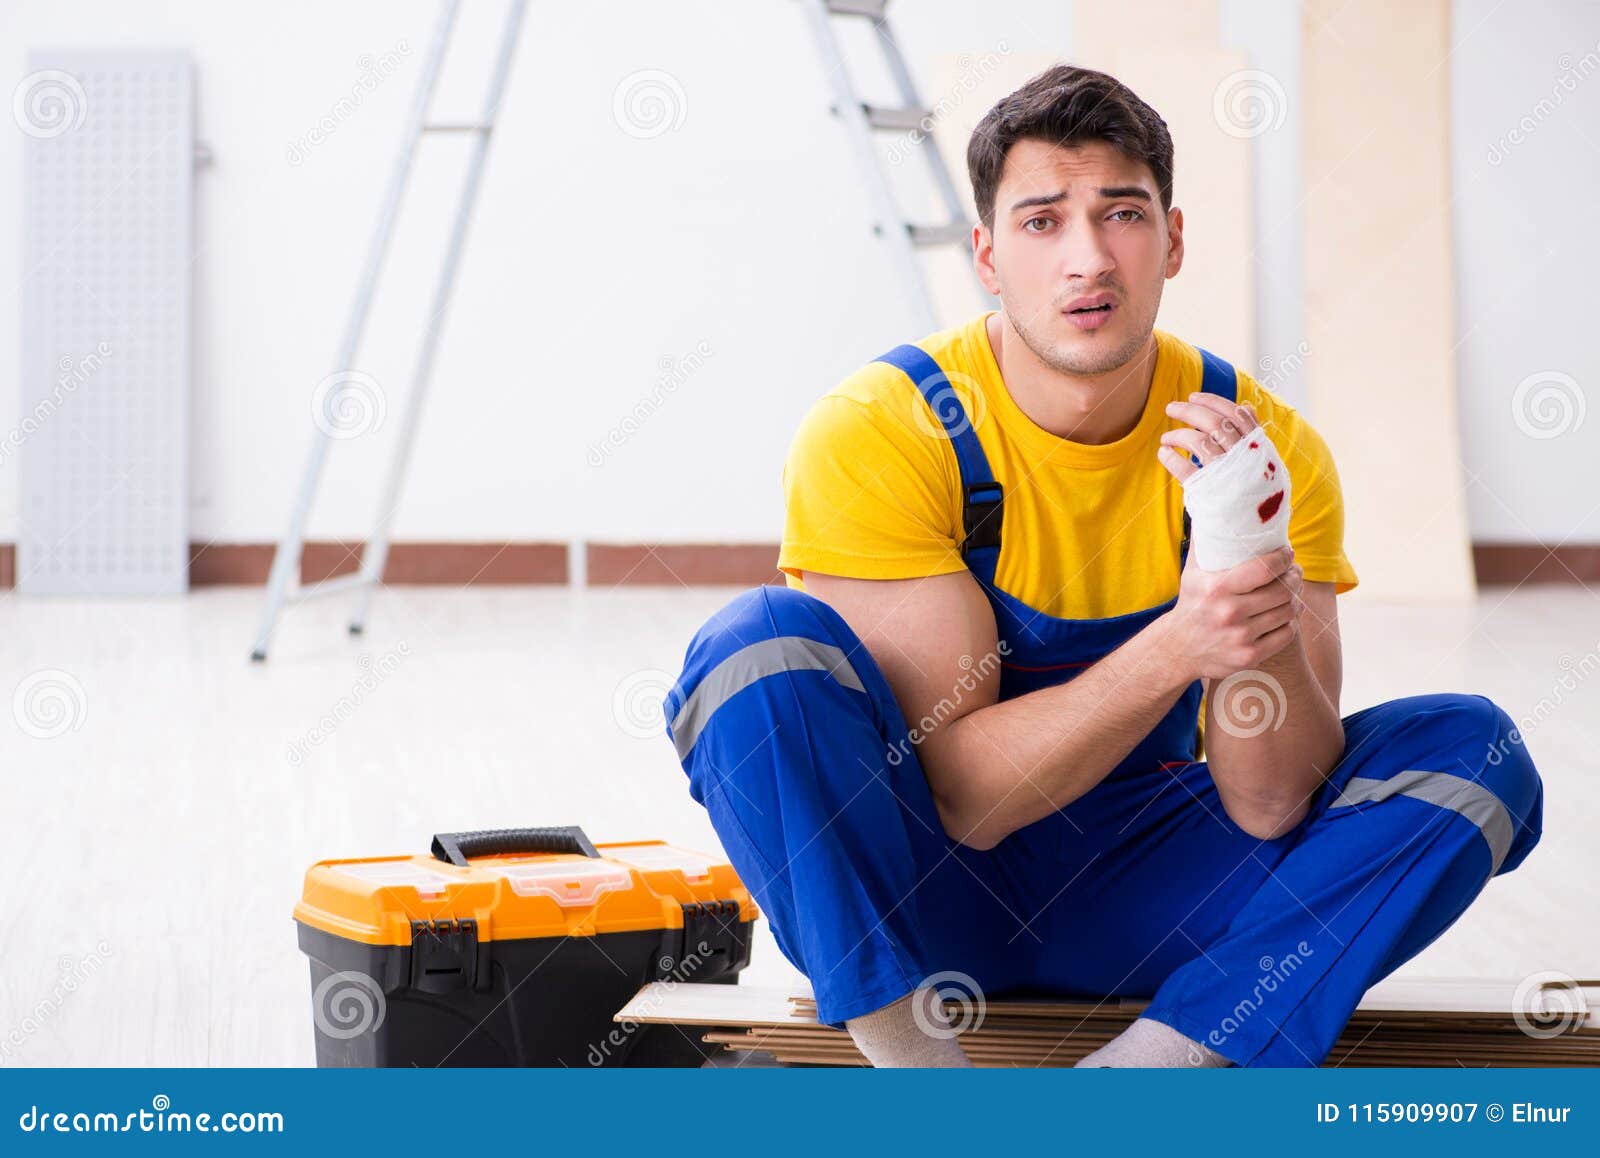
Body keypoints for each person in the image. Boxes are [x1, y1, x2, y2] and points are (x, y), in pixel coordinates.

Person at [663, 65, 1542, 1068]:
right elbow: (967, 802)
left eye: (1122, 214)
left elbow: (1269, 803)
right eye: (1042, 222)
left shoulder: (1260, 452)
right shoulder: (884, 430)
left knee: (1475, 750)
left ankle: (1153, 1073)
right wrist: (1182, 642)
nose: (1088, 259)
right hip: (926, 904)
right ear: (987, 256)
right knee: (754, 651)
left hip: (1155, 903)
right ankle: (923, 1084)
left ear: (1172, 239)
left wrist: (1245, 571)